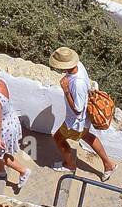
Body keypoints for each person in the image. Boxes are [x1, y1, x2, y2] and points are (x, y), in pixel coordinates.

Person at [49, 47, 116, 178]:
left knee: (58, 139)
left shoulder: (76, 83)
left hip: (75, 122)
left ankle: (70, 165)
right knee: (87, 136)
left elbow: (78, 109)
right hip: (85, 119)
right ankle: (109, 165)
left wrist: (66, 90)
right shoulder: (79, 66)